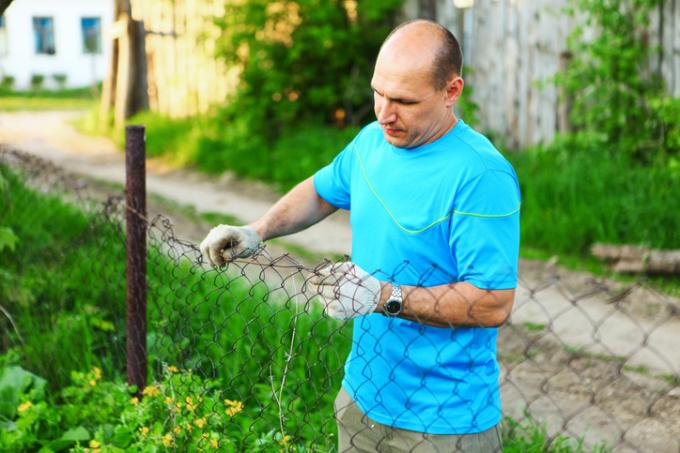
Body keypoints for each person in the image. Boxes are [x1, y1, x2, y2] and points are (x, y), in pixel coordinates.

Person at [200, 19, 520, 453]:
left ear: (451, 92)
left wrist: (386, 296)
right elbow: (321, 191)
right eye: (378, 93)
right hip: (362, 397)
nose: (385, 113)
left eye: (404, 101)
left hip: (445, 421)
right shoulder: (371, 142)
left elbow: (493, 301)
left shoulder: (481, 175)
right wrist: (257, 231)